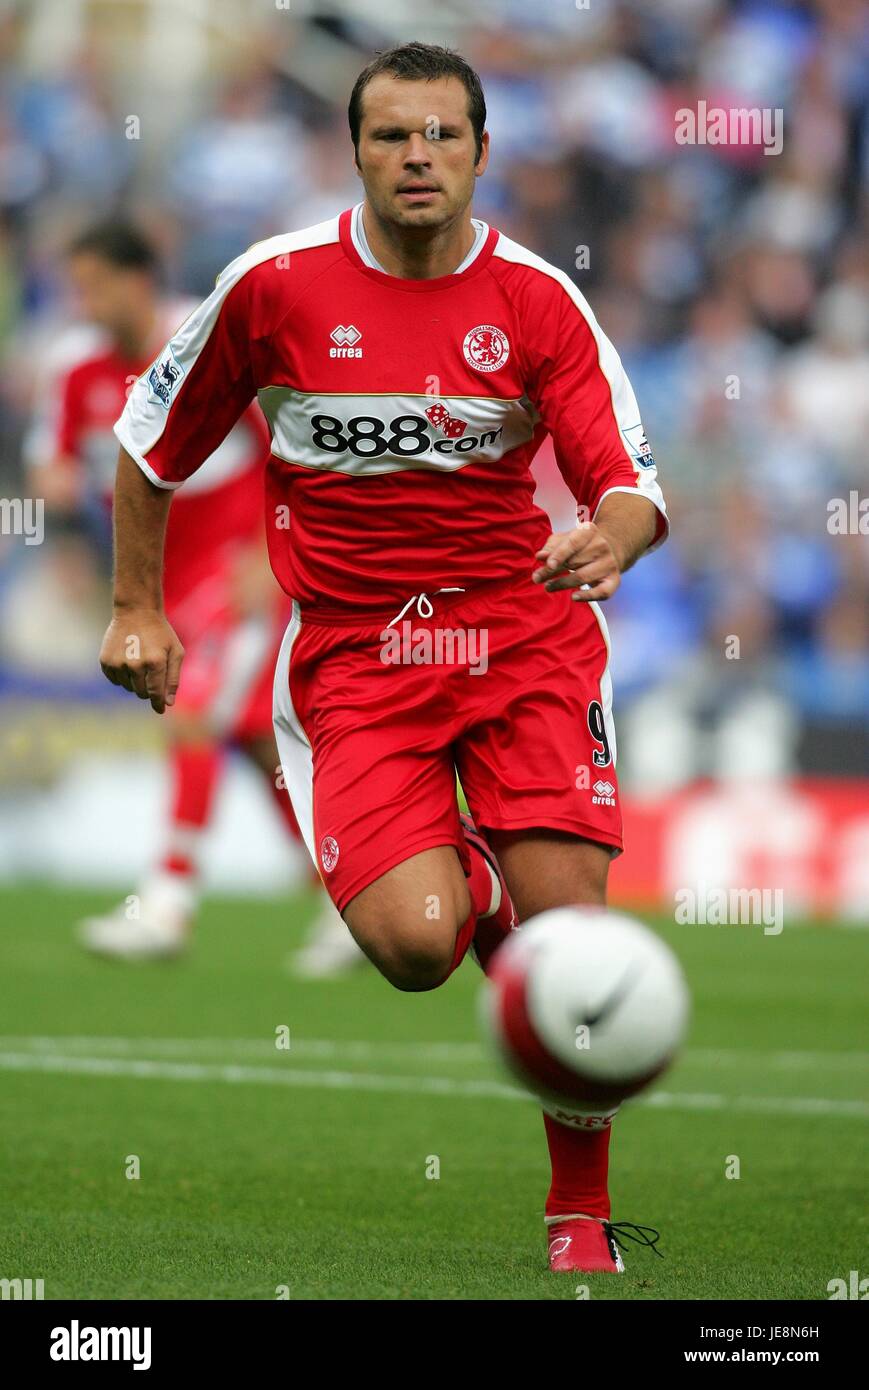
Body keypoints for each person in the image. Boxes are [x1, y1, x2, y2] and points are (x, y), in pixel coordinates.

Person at [99, 44, 668, 1273]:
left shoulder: (535, 301)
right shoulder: (275, 288)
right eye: (391, 136)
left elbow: (628, 480)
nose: (418, 156)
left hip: (522, 642)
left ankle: (578, 1221)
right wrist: (137, 607)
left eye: (443, 136)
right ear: (354, 151)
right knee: (419, 946)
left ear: (478, 151)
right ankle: (483, 887)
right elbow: (149, 443)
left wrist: (609, 538)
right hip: (358, 661)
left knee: (570, 944)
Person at [35, 220, 355, 968]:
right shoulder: (73, 370)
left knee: (192, 709)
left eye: (93, 286)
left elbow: (290, 442)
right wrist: (52, 489)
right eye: (75, 287)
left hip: (236, 573)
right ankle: (350, 901)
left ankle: (167, 904)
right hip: (160, 588)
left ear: (138, 281)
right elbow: (52, 465)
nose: (82, 303)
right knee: (253, 746)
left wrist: (272, 552)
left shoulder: (200, 341)